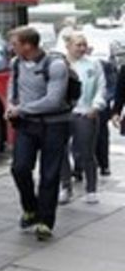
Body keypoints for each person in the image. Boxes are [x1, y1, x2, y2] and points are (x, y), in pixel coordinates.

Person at [5, 26, 72, 241]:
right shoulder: (16, 63)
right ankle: (31, 209)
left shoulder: (56, 65)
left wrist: (21, 109)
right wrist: (10, 105)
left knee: (49, 174)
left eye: (14, 44)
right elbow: (12, 87)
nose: (11, 48)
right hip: (27, 125)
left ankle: (45, 221)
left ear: (27, 45)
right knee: (19, 168)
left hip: (55, 125)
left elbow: (53, 101)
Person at [58, 33, 105, 205]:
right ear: (68, 46)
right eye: (78, 45)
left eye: (84, 44)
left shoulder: (94, 64)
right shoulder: (60, 65)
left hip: (85, 113)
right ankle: (65, 187)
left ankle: (91, 189)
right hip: (62, 114)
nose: (82, 48)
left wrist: (96, 106)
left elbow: (101, 87)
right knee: (60, 152)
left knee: (86, 153)